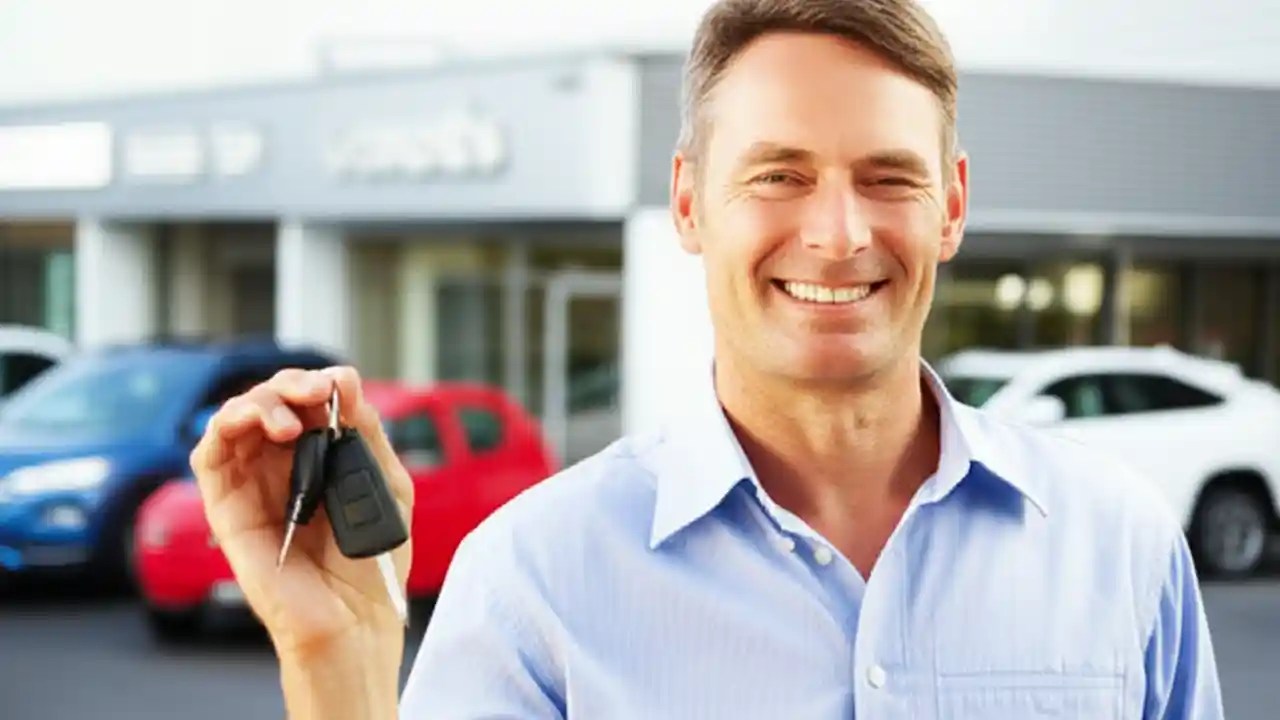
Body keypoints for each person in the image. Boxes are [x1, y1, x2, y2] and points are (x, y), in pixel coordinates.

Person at [190, 0, 1225, 717]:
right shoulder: (530, 580)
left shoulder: (1120, 546)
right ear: (688, 202)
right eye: (777, 174)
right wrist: (342, 666)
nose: (835, 231)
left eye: (885, 177)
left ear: (950, 205)